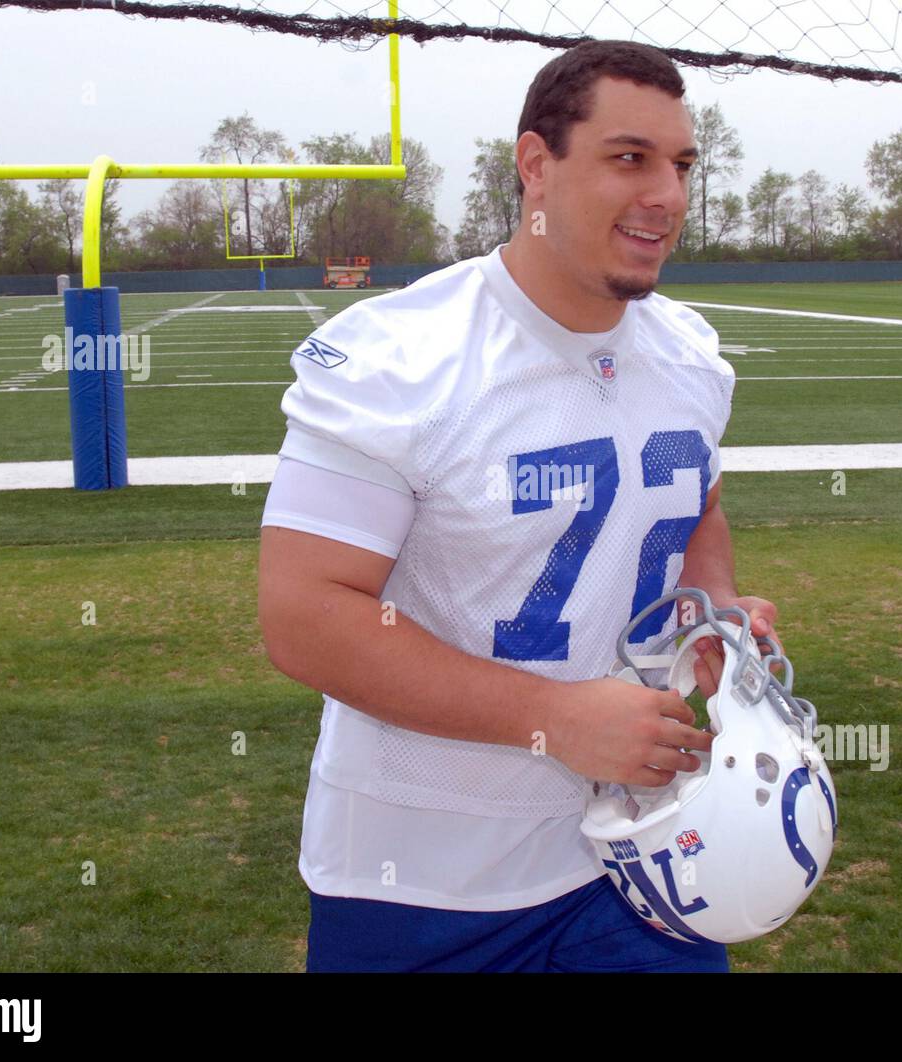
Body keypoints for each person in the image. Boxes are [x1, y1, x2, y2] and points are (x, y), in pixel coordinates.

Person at [258, 39, 780, 973]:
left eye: (682, 164)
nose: (666, 193)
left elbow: (695, 506)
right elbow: (305, 618)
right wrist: (556, 716)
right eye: (630, 158)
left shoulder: (690, 356)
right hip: (417, 881)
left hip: (639, 859)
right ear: (537, 166)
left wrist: (715, 608)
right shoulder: (400, 360)